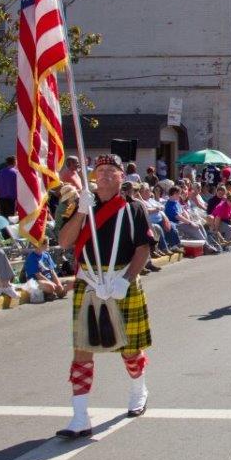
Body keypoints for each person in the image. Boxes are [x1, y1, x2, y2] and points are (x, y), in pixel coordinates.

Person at [56, 154, 152, 438]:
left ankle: (138, 390)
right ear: (93, 175)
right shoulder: (80, 205)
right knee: (82, 350)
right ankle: (80, 416)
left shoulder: (134, 208)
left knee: (129, 347)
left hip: (120, 279)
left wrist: (126, 279)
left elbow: (143, 249)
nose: (106, 174)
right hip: (89, 282)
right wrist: (83, 212)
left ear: (122, 176)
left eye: (112, 170)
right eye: (101, 170)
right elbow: (64, 241)